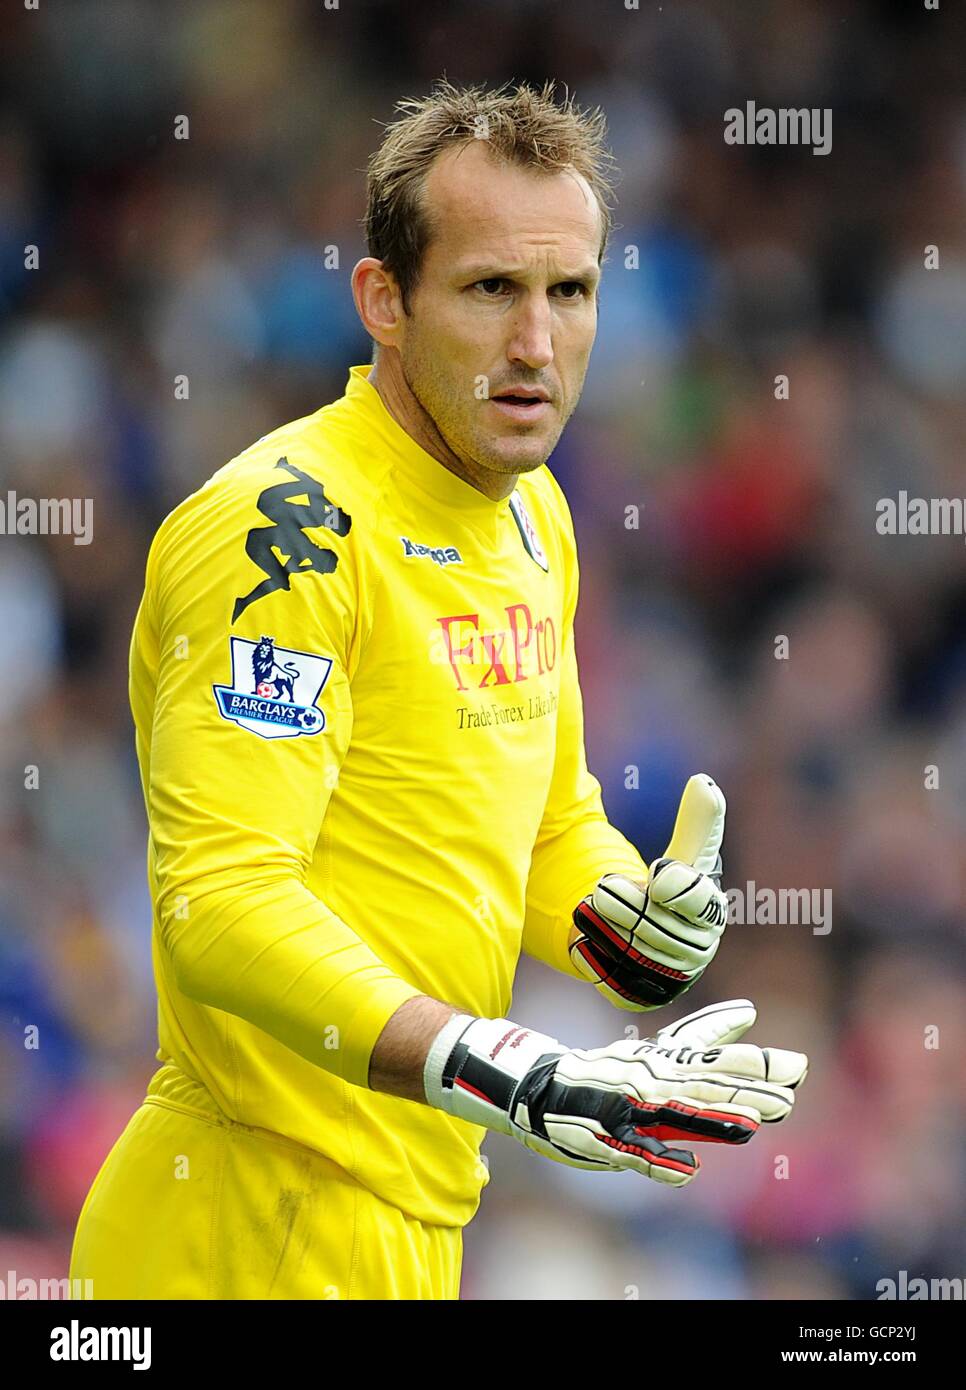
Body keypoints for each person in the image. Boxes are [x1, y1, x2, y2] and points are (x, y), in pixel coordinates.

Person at [69, 79, 807, 1301]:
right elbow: (221, 899)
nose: (537, 343)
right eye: (489, 289)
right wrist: (503, 1062)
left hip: (413, 1224)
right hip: (242, 1220)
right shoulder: (282, 531)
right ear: (384, 303)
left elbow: (547, 825)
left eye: (569, 292)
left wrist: (625, 922)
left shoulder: (534, 512)